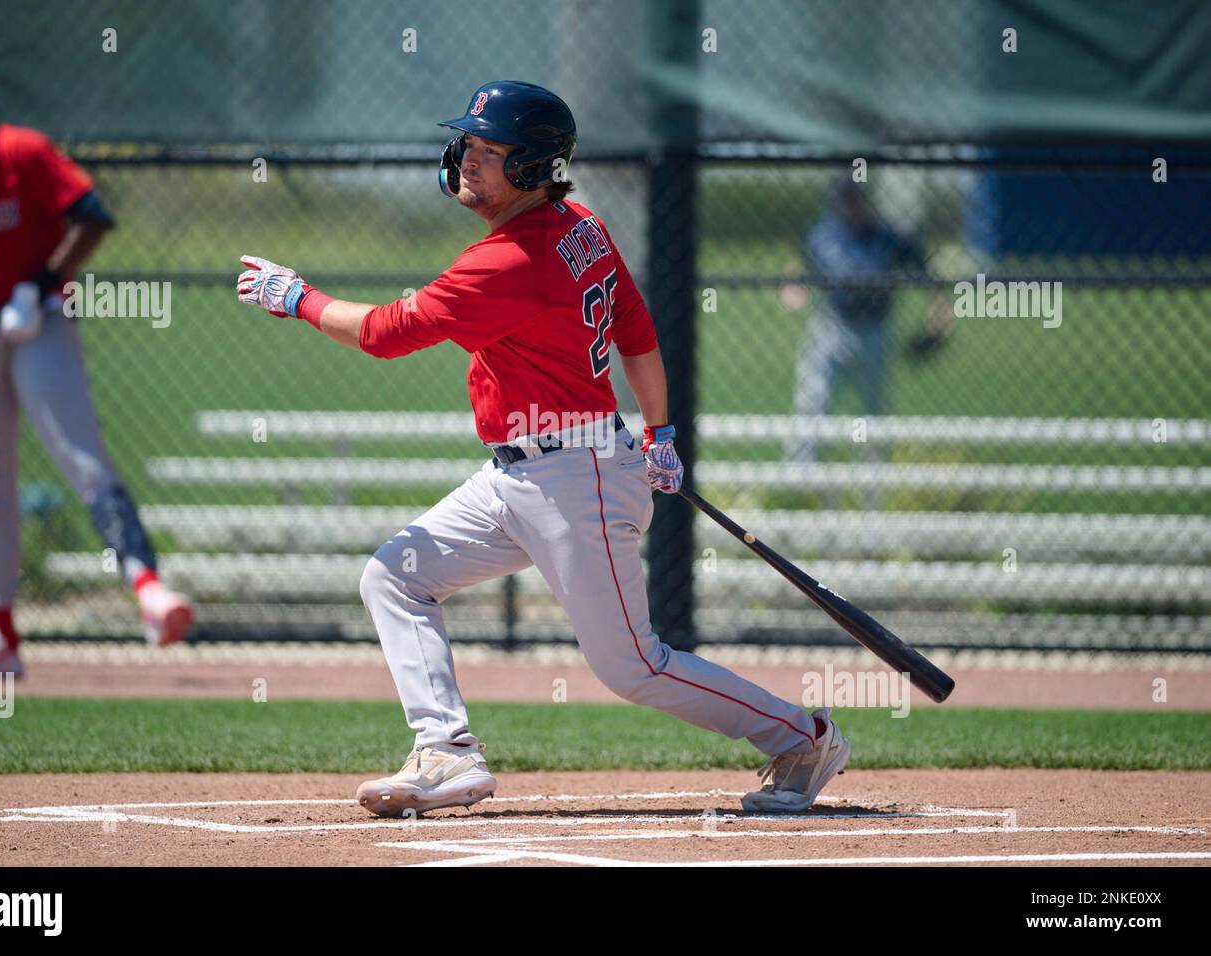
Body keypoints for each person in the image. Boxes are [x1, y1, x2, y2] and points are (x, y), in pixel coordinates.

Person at [236, 81, 849, 817]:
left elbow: (382, 334)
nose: (468, 162)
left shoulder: (509, 261)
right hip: (531, 472)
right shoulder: (579, 224)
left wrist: (294, 297)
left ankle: (802, 736)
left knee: (632, 667)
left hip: (573, 478)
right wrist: (660, 434)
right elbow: (636, 330)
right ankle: (447, 752)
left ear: (532, 169)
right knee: (395, 575)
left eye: (490, 154)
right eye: (469, 146)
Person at [0, 51, 193, 675]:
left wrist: (41, 282)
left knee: (81, 455)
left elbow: (91, 216)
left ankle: (148, 588)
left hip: (37, 324)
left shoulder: (17, 150)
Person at [789, 175, 950, 462]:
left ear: (865, 200)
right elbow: (800, 265)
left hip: (875, 333)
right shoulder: (824, 234)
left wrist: (939, 326)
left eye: (853, 198)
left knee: (872, 412)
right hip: (832, 329)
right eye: (842, 200)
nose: (847, 206)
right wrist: (794, 287)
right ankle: (801, 478)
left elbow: (932, 279)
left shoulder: (889, 237)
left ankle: (871, 480)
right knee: (813, 401)